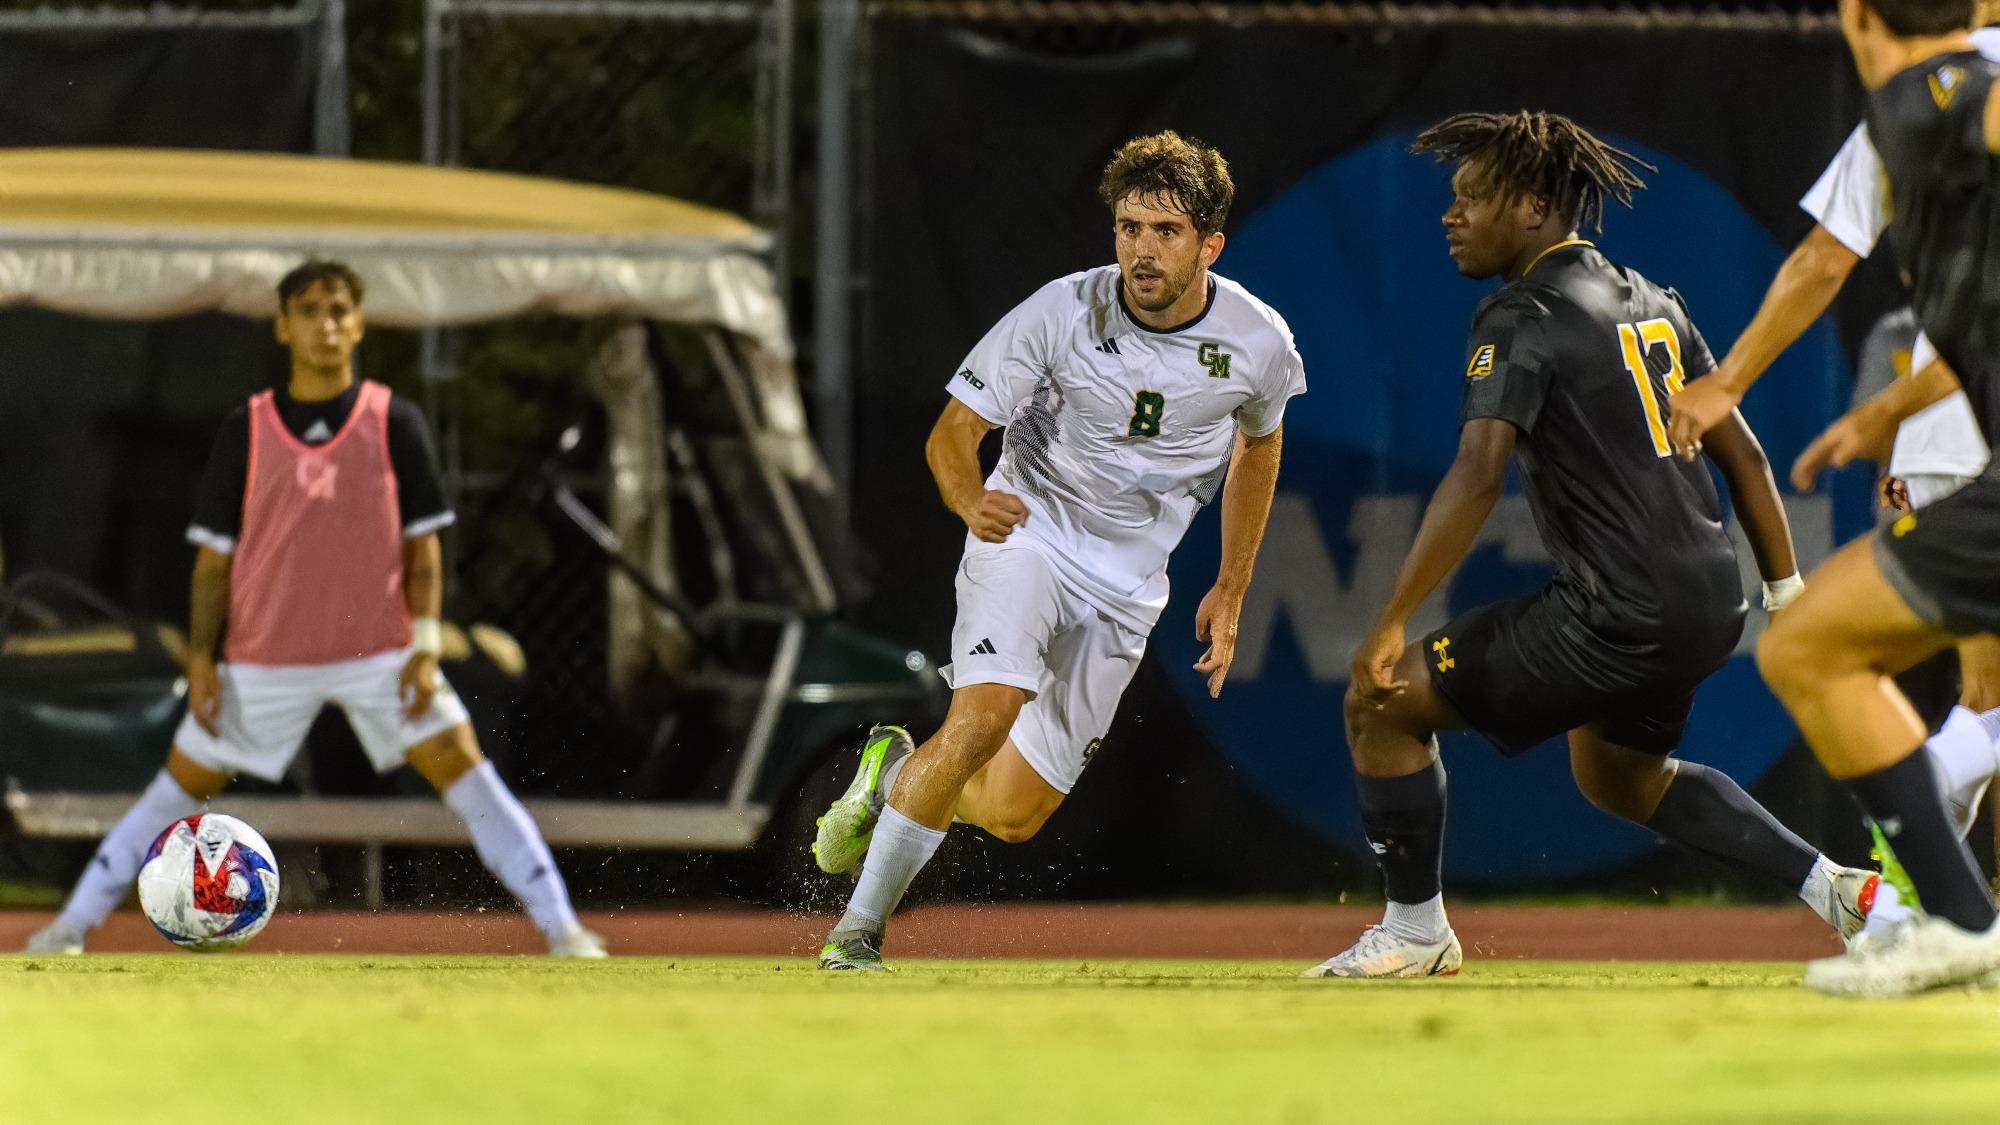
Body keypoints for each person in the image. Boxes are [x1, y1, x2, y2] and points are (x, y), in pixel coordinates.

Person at [1305, 111, 1896, 980]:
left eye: (1474, 196)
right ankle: (1836, 888)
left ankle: (1414, 928)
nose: (1451, 213)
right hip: (1707, 601)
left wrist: (1390, 619)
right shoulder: (1653, 299)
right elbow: (1745, 454)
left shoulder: (1521, 311)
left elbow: (1475, 476)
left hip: (1620, 609)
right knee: (1620, 775)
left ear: (1536, 206)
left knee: (1382, 703)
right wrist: (1786, 593)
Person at [809, 132, 1304, 970]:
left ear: (1209, 244)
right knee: (981, 719)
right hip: (1028, 535)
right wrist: (970, 498)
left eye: (1166, 232)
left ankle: (892, 774)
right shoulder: (1060, 311)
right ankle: (855, 934)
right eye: (1128, 228)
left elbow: (1259, 447)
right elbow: (954, 432)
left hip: (1128, 586)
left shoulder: (1259, 341)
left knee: (1011, 812)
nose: (1141, 251)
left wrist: (1232, 582)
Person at [25, 260, 605, 959]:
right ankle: (68, 929)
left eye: (338, 310)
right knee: (172, 792)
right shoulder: (249, 428)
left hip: (382, 655)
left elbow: (424, 551)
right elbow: (214, 564)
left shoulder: (395, 423)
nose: (325, 324)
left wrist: (422, 648)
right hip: (268, 659)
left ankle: (562, 927)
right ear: (283, 324)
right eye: (309, 309)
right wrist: (206, 661)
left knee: (469, 773)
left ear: (357, 323)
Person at [1663, 10, 2000, 859]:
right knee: (1983, 701)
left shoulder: (1923, 92)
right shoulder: (1947, 86)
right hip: (1958, 434)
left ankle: (1914, 915)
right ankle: (1914, 912)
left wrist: (1734, 380)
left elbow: (1825, 256)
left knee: (1976, 699)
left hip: (1949, 434)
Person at [1750, 0, 2000, 996]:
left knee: (1825, 651)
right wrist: (1886, 416)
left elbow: (1820, 260)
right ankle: (1947, 918)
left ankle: (1932, 914)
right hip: (1961, 453)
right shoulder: (1923, 100)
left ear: (1856, 17)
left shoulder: (1937, 90)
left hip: (1965, 459)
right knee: (1961, 689)